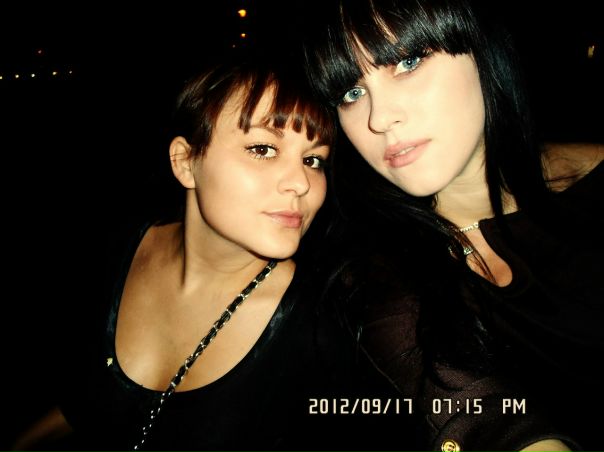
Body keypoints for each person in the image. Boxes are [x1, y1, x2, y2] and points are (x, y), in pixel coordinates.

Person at [9, 53, 408, 452]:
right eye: (263, 149)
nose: (300, 183)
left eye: (313, 159)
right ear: (185, 163)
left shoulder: (331, 327)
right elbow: (83, 403)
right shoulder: (114, 249)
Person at [303, 0, 603, 451]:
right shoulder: (378, 272)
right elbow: (479, 415)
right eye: (351, 92)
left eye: (408, 62)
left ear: (482, 50)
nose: (379, 118)